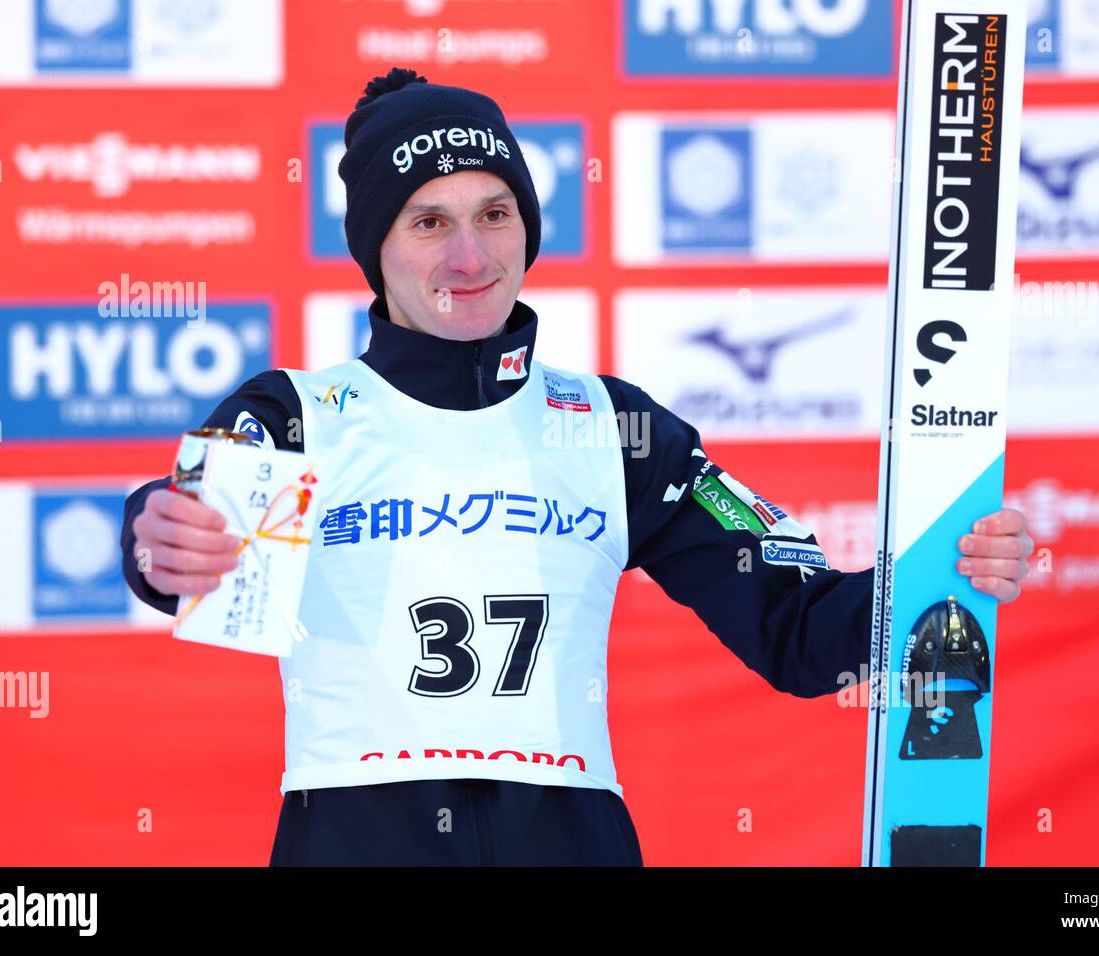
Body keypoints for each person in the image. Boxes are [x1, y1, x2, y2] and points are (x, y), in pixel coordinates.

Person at [119, 67, 1034, 866]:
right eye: (429, 221)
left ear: (528, 225)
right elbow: (184, 545)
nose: (470, 256)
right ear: (376, 249)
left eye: (494, 213)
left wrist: (941, 573)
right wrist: (158, 539)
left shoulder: (612, 427)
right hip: (354, 839)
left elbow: (796, 632)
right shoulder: (293, 417)